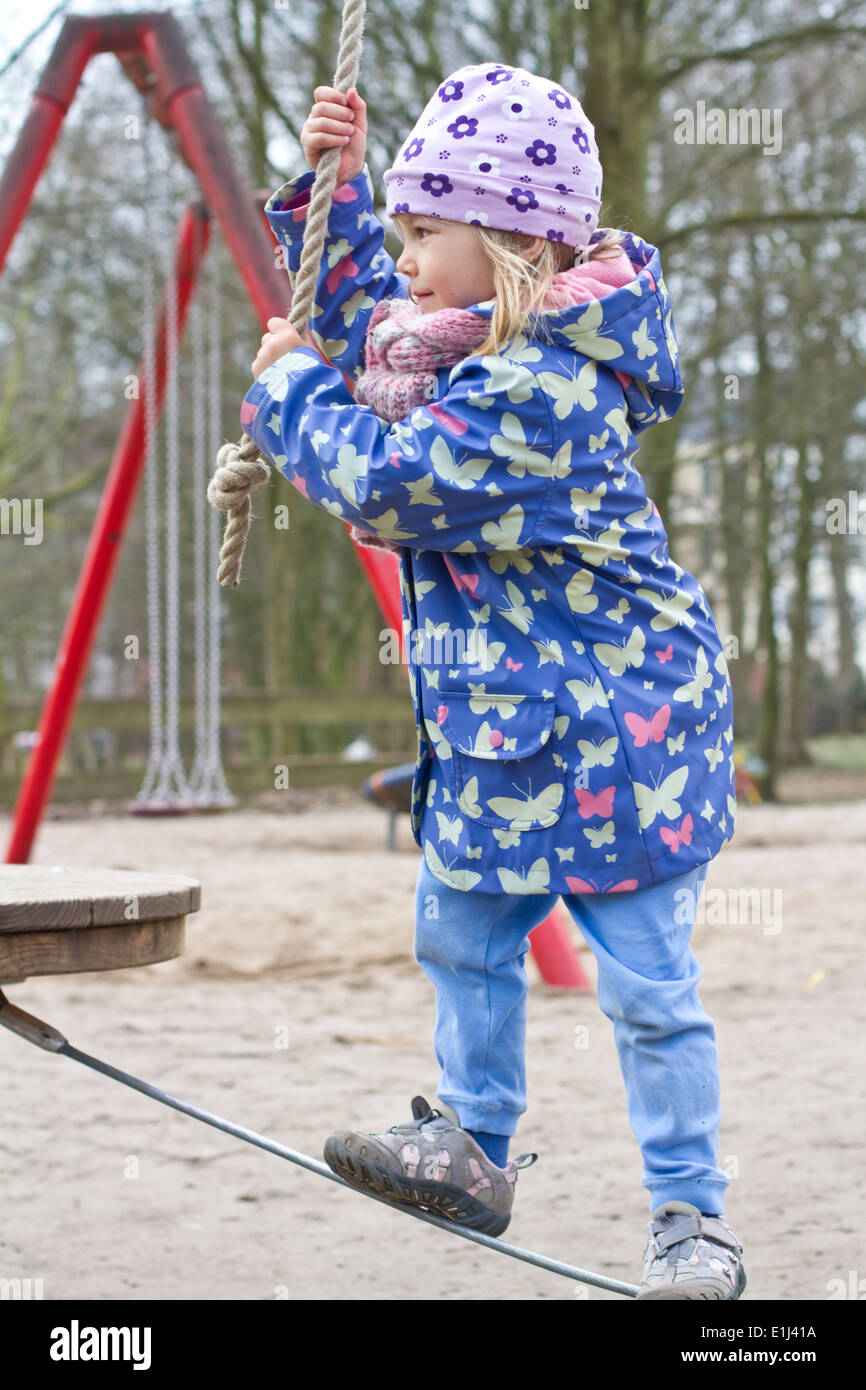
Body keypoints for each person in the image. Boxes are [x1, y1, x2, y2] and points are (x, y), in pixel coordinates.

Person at [244, 64, 745, 1301]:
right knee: (457, 929)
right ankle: (469, 1142)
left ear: (514, 240)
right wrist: (334, 191)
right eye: (403, 233)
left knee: (646, 991)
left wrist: (284, 393)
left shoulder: (545, 390)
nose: (405, 261)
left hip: (625, 737)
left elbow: (387, 482)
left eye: (425, 234)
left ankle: (690, 1221)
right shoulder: (458, 341)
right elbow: (372, 318)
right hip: (506, 736)